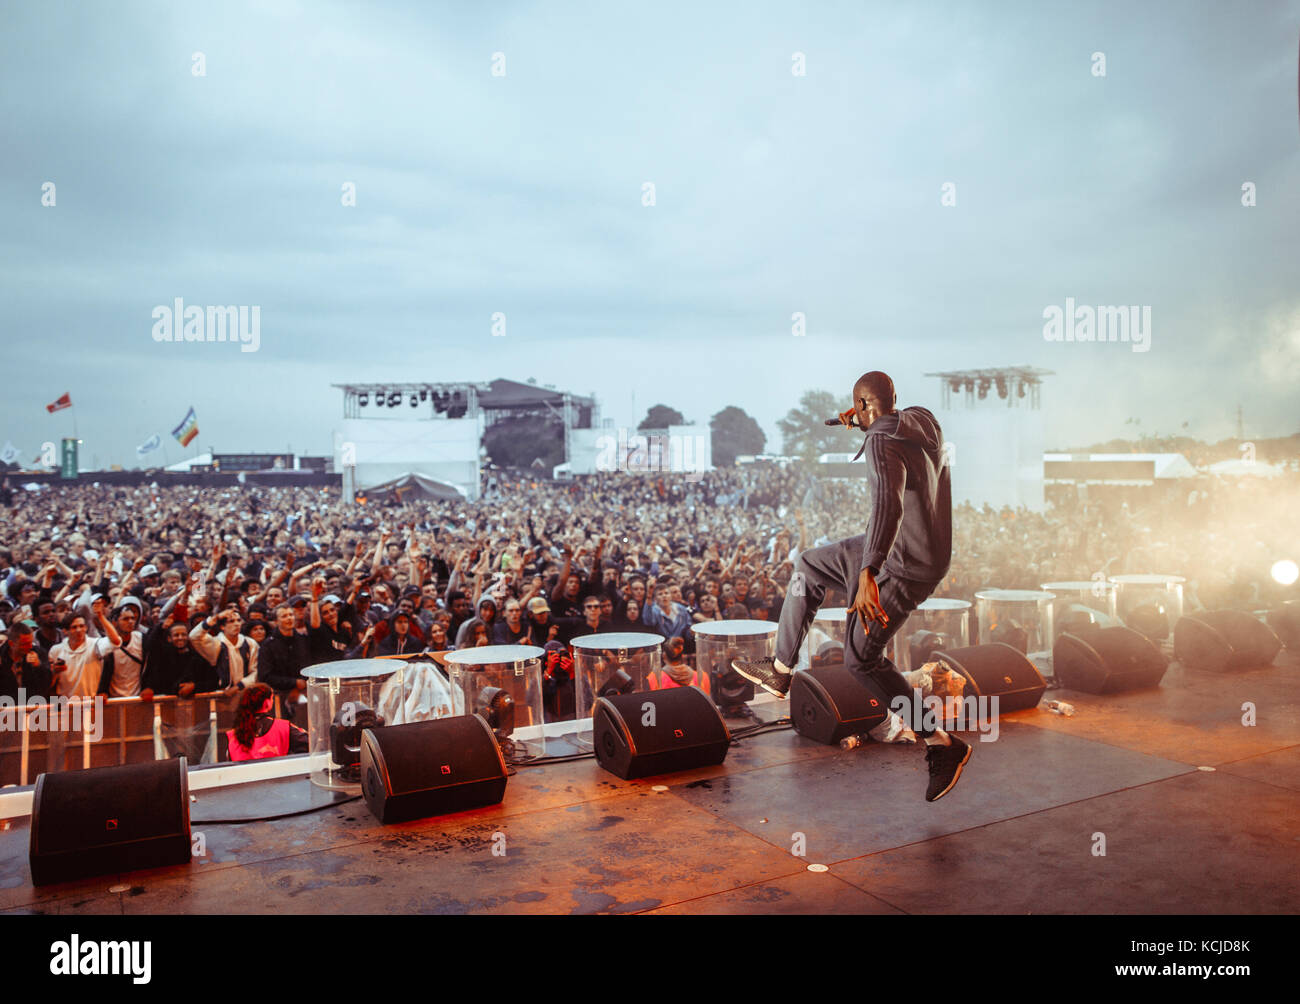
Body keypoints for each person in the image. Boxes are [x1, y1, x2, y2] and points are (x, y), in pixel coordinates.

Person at [731, 371, 968, 802]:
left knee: (861, 659)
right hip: (919, 551)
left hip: (903, 563)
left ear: (863, 405)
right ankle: (782, 670)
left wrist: (868, 572)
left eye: (859, 408)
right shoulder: (924, 420)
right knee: (807, 565)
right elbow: (890, 419)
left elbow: (888, 505)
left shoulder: (880, 443)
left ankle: (940, 743)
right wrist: (863, 417)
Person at [226, 683, 307, 761]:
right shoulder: (283, 727)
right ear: (267, 703)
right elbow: (310, 744)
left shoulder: (233, 736)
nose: (273, 701)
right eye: (272, 698)